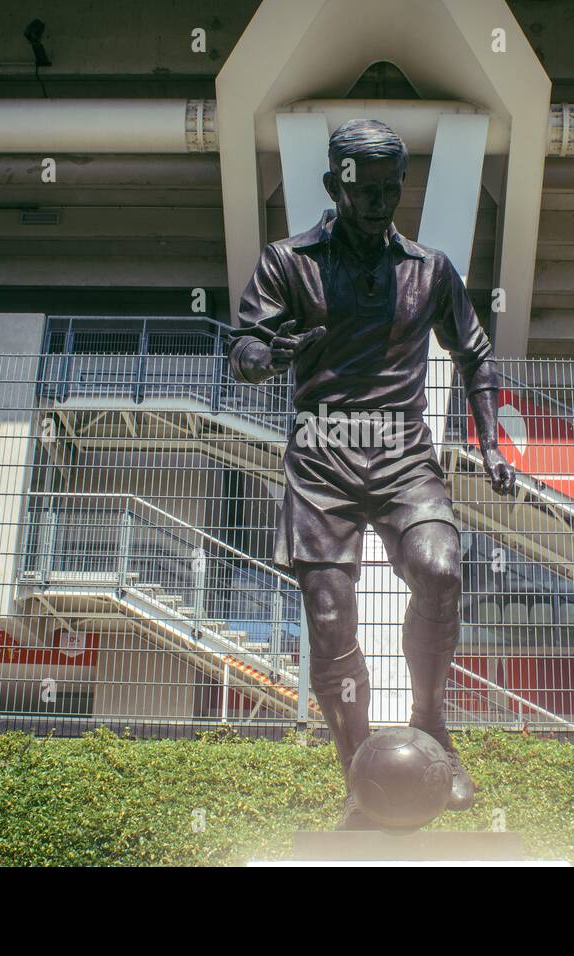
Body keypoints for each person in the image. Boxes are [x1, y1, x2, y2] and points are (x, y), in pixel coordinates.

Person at [227, 118, 516, 829]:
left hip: (404, 455)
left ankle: (431, 720)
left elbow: (476, 354)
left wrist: (489, 443)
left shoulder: (431, 268)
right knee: (329, 620)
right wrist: (268, 352)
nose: (379, 202)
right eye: (364, 190)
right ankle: (362, 780)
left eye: (391, 190)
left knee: (441, 570)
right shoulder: (287, 262)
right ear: (334, 186)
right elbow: (244, 352)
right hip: (322, 457)